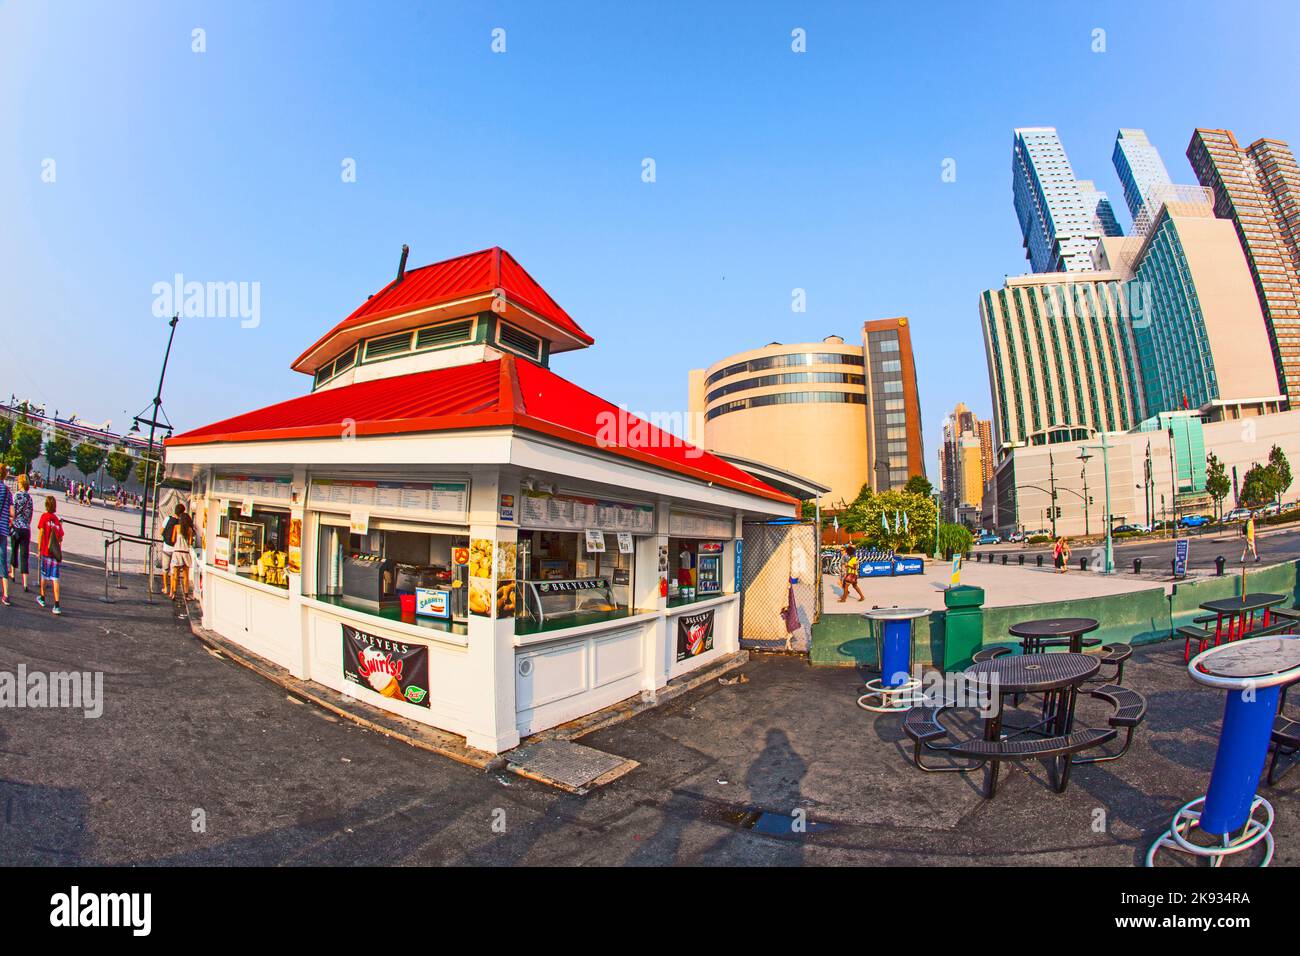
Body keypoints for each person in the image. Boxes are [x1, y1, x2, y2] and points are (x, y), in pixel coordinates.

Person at [37, 495, 64, 615]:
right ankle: (57, 604)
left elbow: (41, 533)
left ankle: (42, 597)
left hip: (46, 552)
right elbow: (61, 537)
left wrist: (38, 548)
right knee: (55, 578)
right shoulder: (57, 520)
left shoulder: (44, 517)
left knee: (44, 576)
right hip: (55, 554)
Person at [9, 473, 33, 593]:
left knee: (14, 550)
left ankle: (12, 573)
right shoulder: (29, 498)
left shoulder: (16, 496)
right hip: (26, 529)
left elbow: (12, 512)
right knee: (24, 555)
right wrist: (26, 523)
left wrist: (12, 522)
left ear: (20, 483)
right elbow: (30, 515)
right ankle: (25, 582)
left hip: (16, 527)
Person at [168, 503, 196, 601]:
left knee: (175, 575)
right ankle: (186, 594)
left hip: (177, 552)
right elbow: (190, 542)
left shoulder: (176, 527)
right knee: (186, 576)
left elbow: (172, 540)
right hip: (185, 553)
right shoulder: (189, 530)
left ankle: (174, 593)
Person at [0, 465, 12, 607]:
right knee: (2, 559)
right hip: (3, 529)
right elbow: (12, 512)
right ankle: (6, 594)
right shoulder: (8, 491)